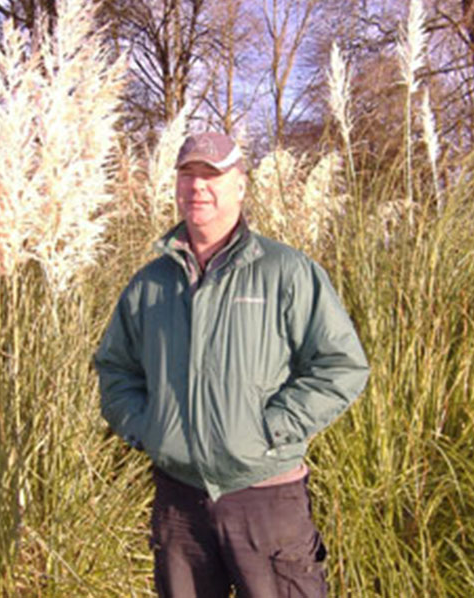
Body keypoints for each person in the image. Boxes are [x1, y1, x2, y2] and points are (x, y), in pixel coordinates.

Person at [94, 131, 369, 597]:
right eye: (187, 175)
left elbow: (341, 365)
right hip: (179, 502)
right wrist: (150, 428)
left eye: (212, 175)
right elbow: (115, 369)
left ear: (239, 185)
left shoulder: (286, 271)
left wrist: (271, 429)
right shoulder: (149, 285)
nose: (198, 187)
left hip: (266, 497)